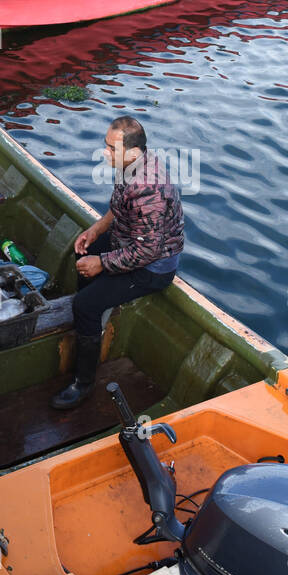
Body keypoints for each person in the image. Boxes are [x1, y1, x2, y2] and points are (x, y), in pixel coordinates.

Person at [52, 116, 184, 410]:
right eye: (106, 145)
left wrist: (103, 263)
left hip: (152, 268)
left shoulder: (149, 190)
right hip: (127, 242)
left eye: (112, 148)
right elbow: (118, 206)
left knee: (84, 304)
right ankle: (94, 321)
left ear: (134, 153)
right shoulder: (128, 164)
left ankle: (83, 383)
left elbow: (148, 252)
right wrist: (97, 229)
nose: (105, 153)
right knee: (84, 252)